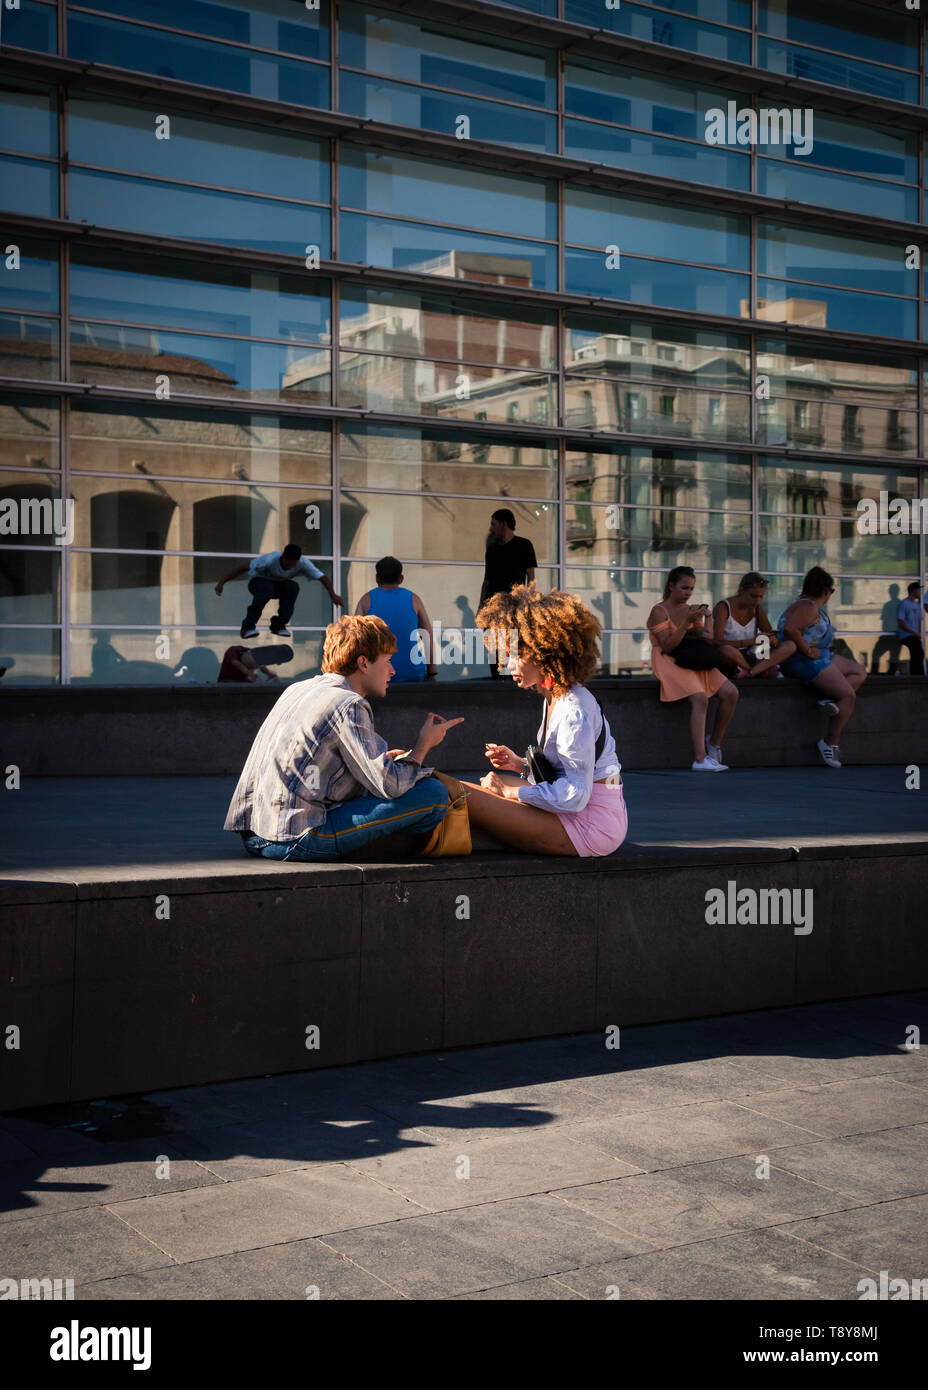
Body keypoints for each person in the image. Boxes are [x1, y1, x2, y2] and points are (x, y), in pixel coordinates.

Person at [224, 615, 462, 861]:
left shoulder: (297, 689)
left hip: (254, 833)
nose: (392, 670)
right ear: (363, 663)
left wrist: (382, 763)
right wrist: (423, 746)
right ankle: (371, 846)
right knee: (433, 794)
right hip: (297, 837)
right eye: (388, 661)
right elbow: (389, 786)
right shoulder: (349, 703)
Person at [456, 585, 627, 857]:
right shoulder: (555, 696)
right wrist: (519, 766)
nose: (508, 665)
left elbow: (575, 795)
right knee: (473, 796)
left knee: (460, 794)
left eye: (516, 655)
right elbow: (564, 773)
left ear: (545, 652)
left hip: (591, 825)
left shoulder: (573, 709)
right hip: (583, 813)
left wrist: (509, 792)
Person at [647, 566, 740, 771]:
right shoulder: (659, 611)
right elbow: (668, 645)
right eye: (684, 588)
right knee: (700, 698)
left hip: (694, 656)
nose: (688, 593)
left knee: (731, 693)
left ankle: (713, 744)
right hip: (669, 659)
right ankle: (700, 759)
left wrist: (707, 618)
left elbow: (707, 638)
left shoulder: (691, 609)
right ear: (671, 586)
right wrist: (685, 623)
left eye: (691, 588)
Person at [777, 566, 867, 768]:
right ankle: (829, 742)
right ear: (826, 590)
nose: (830, 595)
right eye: (832, 591)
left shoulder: (808, 606)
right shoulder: (807, 607)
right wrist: (807, 650)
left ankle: (830, 701)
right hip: (805, 662)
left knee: (858, 671)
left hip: (821, 656)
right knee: (849, 696)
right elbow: (791, 629)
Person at [215, 543, 343, 640]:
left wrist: (333, 595)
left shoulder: (303, 563)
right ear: (283, 557)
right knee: (266, 588)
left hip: (279, 586)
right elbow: (242, 568)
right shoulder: (269, 560)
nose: (290, 567)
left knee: (293, 587)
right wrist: (222, 582)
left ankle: (279, 625)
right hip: (258, 583)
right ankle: (248, 626)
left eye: (293, 565)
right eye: (288, 564)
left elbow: (323, 578)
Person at [355, 556, 437, 683]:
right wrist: (432, 673)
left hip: (377, 676)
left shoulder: (366, 600)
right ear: (401, 578)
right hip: (413, 674)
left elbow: (356, 640)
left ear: (377, 577)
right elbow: (427, 636)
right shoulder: (414, 600)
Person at [479, 509, 537, 678]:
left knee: (512, 647)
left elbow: (531, 578)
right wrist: (481, 608)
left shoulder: (524, 545)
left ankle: (511, 681)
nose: (491, 529)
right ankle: (496, 680)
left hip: (515, 607)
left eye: (493, 524)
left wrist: (530, 604)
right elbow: (487, 581)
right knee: (493, 648)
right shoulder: (492, 550)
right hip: (493, 609)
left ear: (504, 523)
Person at [711, 572, 796, 678]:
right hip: (732, 657)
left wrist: (773, 640)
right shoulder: (723, 607)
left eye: (761, 596)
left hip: (754, 654)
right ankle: (755, 671)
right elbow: (717, 642)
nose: (757, 600)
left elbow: (769, 635)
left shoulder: (757, 609)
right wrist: (750, 642)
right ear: (741, 590)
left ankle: (751, 672)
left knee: (790, 645)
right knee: (726, 650)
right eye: (753, 596)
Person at [897, 581, 926, 675]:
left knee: (919, 654)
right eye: (918, 590)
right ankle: (917, 676)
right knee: (918, 653)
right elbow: (901, 622)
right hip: (906, 635)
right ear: (913, 591)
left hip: (915, 636)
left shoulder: (918, 606)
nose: (920, 592)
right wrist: (914, 633)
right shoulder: (903, 604)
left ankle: (917, 675)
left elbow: (919, 621)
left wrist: (919, 633)